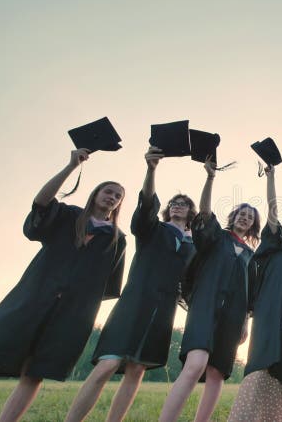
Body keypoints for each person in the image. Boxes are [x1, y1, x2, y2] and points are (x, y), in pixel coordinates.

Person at [0, 148, 126, 422]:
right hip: (29, 300)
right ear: (96, 193)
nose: (112, 196)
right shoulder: (67, 216)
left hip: (69, 314)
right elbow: (40, 204)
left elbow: (108, 287)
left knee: (34, 374)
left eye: (118, 195)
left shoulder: (116, 240)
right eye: (108, 190)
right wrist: (71, 166)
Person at [66, 146, 197, 422]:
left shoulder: (191, 245)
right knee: (108, 364)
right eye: (173, 203)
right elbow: (147, 204)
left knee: (137, 369)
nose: (177, 206)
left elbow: (191, 281)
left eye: (183, 204)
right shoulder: (152, 231)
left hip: (163, 309)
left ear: (190, 212)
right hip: (136, 300)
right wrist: (152, 170)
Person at [158, 160, 260, 422]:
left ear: (252, 225)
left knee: (217, 373)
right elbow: (204, 212)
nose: (244, 218)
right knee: (195, 365)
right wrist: (210, 178)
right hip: (205, 305)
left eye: (249, 217)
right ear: (233, 217)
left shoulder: (250, 254)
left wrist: (245, 323)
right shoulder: (217, 238)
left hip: (234, 316)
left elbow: (249, 291)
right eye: (241, 213)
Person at [228, 165, 282, 422]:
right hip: (269, 317)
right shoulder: (276, 247)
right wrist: (272, 177)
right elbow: (272, 210)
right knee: (261, 366)